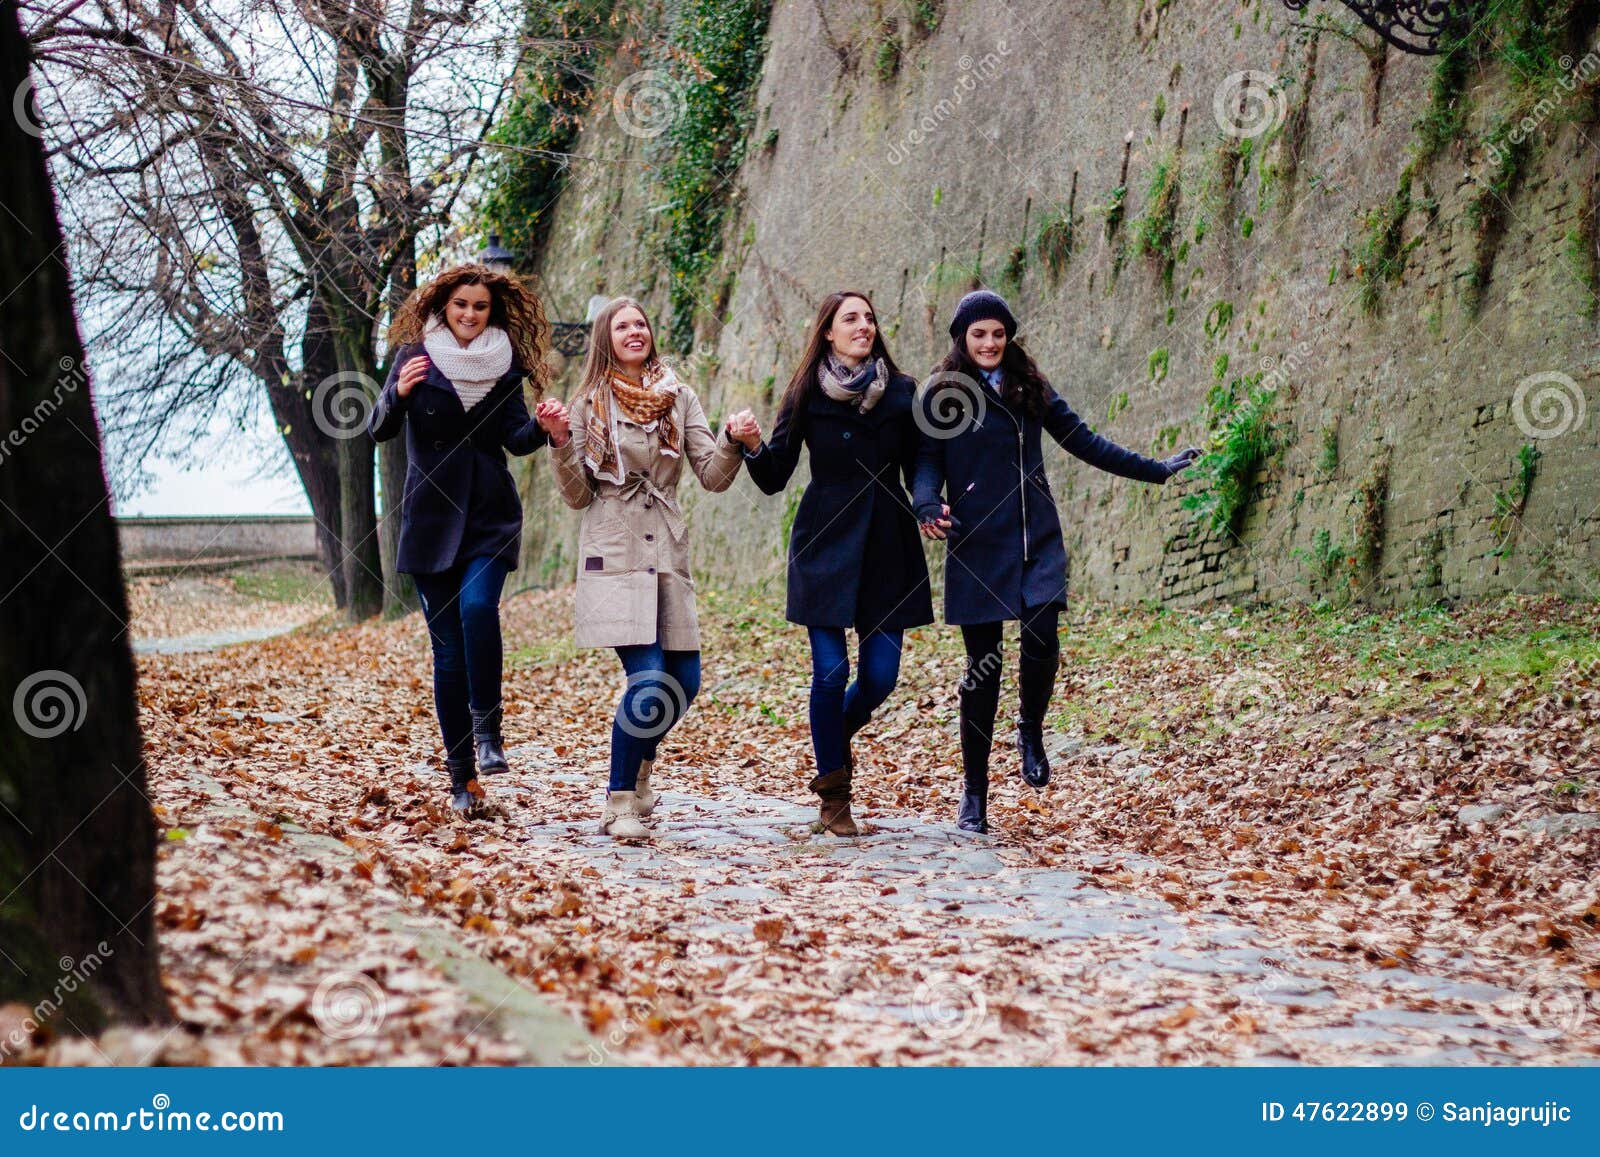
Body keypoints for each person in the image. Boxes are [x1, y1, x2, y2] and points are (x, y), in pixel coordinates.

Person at [913, 290, 1200, 833]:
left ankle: (1030, 727)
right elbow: (927, 463)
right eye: (980, 334)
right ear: (962, 338)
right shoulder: (942, 395)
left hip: (1035, 540)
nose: (991, 343)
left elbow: (1084, 441)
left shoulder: (1030, 388)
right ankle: (974, 792)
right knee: (983, 669)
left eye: (999, 333)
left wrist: (1156, 470)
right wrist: (926, 502)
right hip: (976, 545)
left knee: (1042, 633)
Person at [539, 297, 754, 839]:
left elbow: (711, 473)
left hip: (666, 547)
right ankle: (619, 801)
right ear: (604, 339)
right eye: (621, 326)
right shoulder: (588, 402)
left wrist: (731, 440)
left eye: (640, 324)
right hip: (613, 549)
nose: (634, 332)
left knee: (685, 680)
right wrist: (562, 442)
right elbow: (575, 494)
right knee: (650, 676)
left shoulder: (678, 396)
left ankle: (638, 766)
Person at [728, 290, 933, 836]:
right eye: (851, 318)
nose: (863, 325)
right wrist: (750, 445)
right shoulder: (803, 395)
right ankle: (834, 795)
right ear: (828, 332)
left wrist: (930, 502)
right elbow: (774, 476)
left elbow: (920, 466)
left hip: (888, 544)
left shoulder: (904, 392)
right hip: (823, 542)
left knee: (881, 678)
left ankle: (830, 739)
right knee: (830, 671)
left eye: (869, 317)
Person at [369, 263, 561, 814]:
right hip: (430, 519)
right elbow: (378, 428)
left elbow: (516, 439)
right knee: (447, 654)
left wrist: (545, 430)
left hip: (488, 515)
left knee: (479, 608)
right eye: (461, 306)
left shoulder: (505, 365)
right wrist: (397, 397)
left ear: (490, 310)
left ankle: (488, 731)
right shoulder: (414, 358)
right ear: (443, 306)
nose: (470, 315)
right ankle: (462, 779)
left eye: (479, 307)